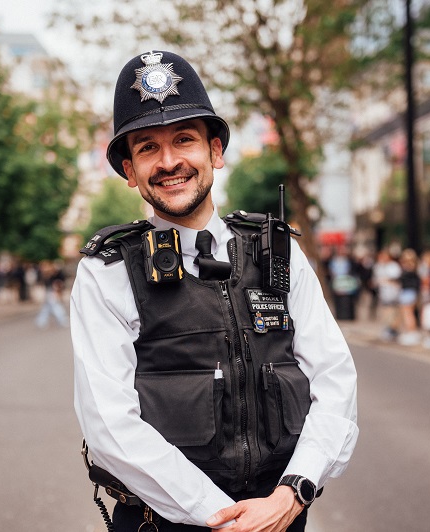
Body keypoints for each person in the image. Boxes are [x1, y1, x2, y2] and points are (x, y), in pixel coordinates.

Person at [71, 50, 358, 532]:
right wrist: (220, 517)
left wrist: (292, 493)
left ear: (216, 151)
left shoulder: (279, 252)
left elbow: (335, 381)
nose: (169, 162)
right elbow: (108, 426)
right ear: (128, 170)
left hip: (279, 517)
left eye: (184, 139)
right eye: (147, 148)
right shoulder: (108, 271)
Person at [372, 248, 402, 341]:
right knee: (386, 313)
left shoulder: (394, 266)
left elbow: (396, 279)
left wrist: (385, 280)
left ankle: (394, 330)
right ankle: (388, 329)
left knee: (393, 313)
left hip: (393, 294)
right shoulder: (378, 266)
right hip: (383, 294)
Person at [397, 248, 421, 346]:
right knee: (409, 314)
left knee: (408, 314)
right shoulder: (415, 268)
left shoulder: (409, 268)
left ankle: (411, 333)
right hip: (410, 292)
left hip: (408, 292)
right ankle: (411, 332)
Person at [35, 260, 68, 328]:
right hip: (50, 292)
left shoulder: (53, 274)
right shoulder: (46, 275)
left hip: (52, 292)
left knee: (48, 307)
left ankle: (41, 321)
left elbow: (59, 283)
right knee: (54, 307)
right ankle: (62, 320)